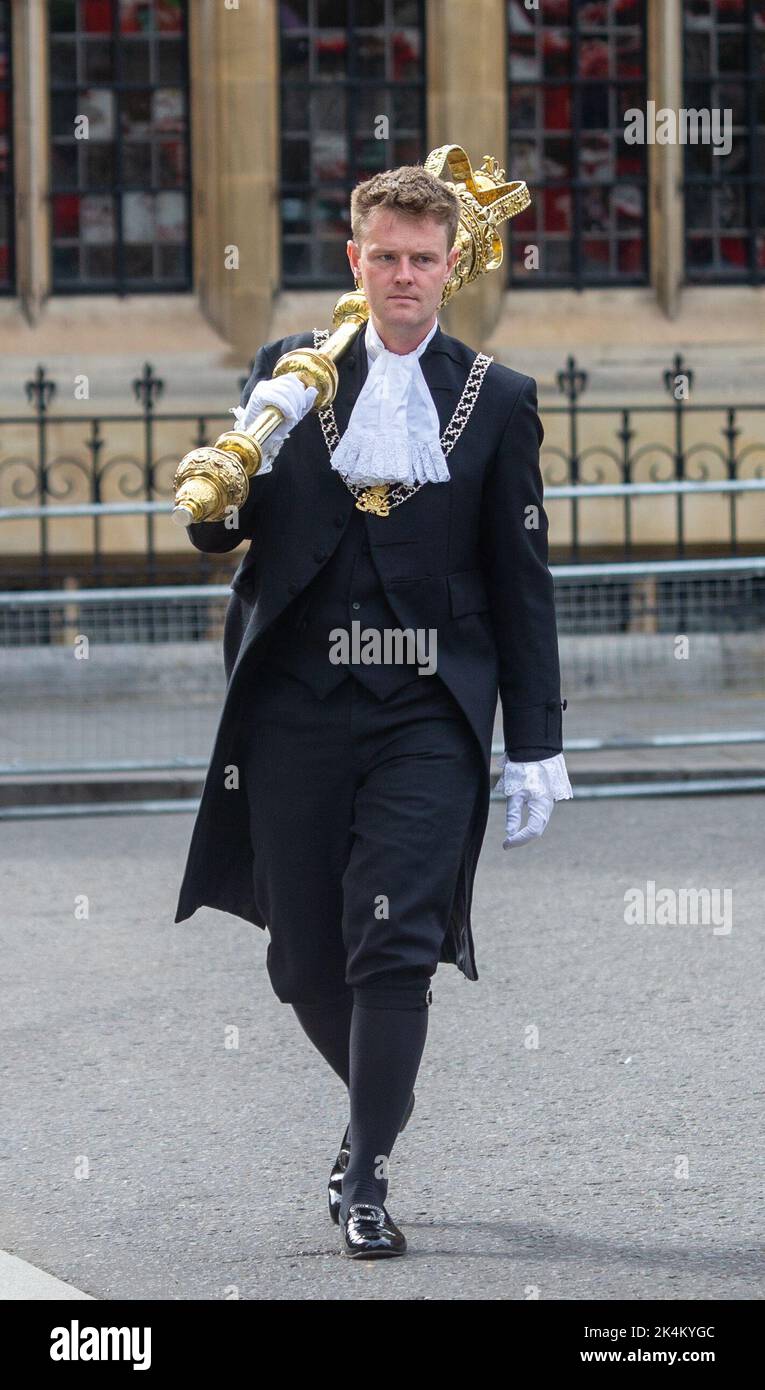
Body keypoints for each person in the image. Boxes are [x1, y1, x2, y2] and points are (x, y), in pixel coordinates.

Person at [174, 165, 573, 1259]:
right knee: (304, 962)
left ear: (454, 267)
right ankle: (375, 1109)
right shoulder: (289, 370)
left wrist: (534, 739)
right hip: (298, 704)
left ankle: (367, 1172)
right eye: (385, 256)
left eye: (424, 258)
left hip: (427, 711)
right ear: (357, 260)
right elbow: (225, 532)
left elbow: (521, 575)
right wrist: (229, 468)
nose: (404, 275)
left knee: (391, 946)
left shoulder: (497, 397)